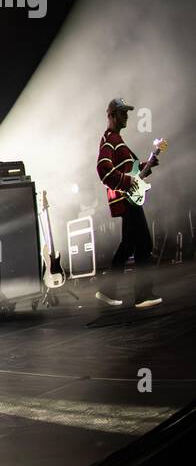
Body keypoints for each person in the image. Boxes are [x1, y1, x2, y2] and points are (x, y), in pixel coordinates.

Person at [95, 98, 161, 308]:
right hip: (127, 198)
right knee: (143, 243)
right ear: (112, 116)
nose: (126, 117)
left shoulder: (117, 140)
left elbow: (128, 168)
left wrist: (145, 164)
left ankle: (107, 290)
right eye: (122, 113)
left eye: (127, 113)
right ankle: (142, 295)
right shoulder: (109, 140)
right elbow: (103, 170)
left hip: (128, 197)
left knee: (129, 244)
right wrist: (127, 182)